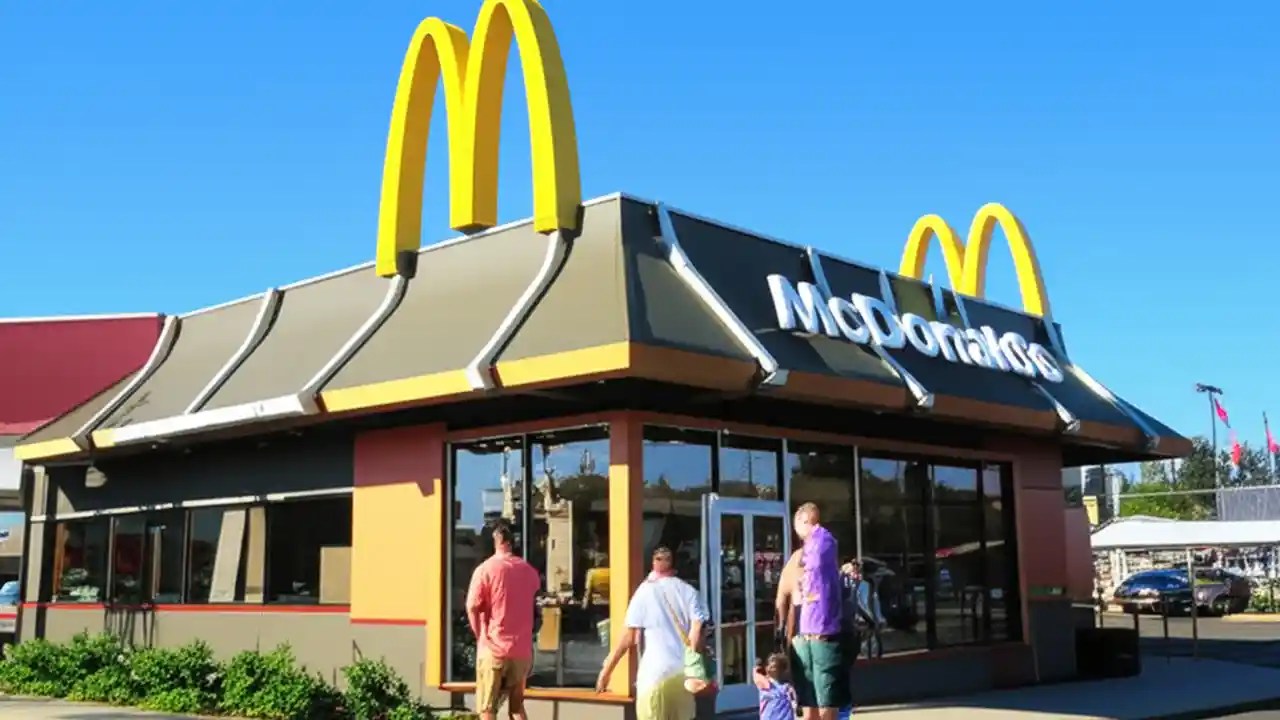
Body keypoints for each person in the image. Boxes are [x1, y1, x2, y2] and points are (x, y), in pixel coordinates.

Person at [596, 546, 709, 720]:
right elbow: (696, 632)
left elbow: (628, 638)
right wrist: (694, 664)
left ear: (653, 565)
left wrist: (607, 671)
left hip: (654, 675)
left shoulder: (644, 591)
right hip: (682, 677)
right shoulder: (689, 592)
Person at [466, 523, 541, 720]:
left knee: (487, 708)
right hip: (521, 650)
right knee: (517, 708)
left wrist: (479, 635)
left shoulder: (485, 570)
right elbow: (534, 599)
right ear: (512, 542)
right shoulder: (529, 571)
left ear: (494, 541)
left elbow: (472, 607)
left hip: (493, 647)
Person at [793, 502, 849, 720]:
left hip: (822, 632)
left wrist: (805, 586)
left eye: (797, 525)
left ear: (804, 521)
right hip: (809, 632)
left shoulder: (822, 540)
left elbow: (814, 569)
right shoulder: (811, 546)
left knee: (826, 696)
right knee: (810, 696)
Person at [753, 652, 797, 720]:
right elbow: (755, 674)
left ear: (781, 670)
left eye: (774, 667)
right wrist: (758, 666)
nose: (770, 668)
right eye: (768, 665)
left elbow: (794, 704)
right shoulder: (764, 684)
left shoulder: (787, 687)